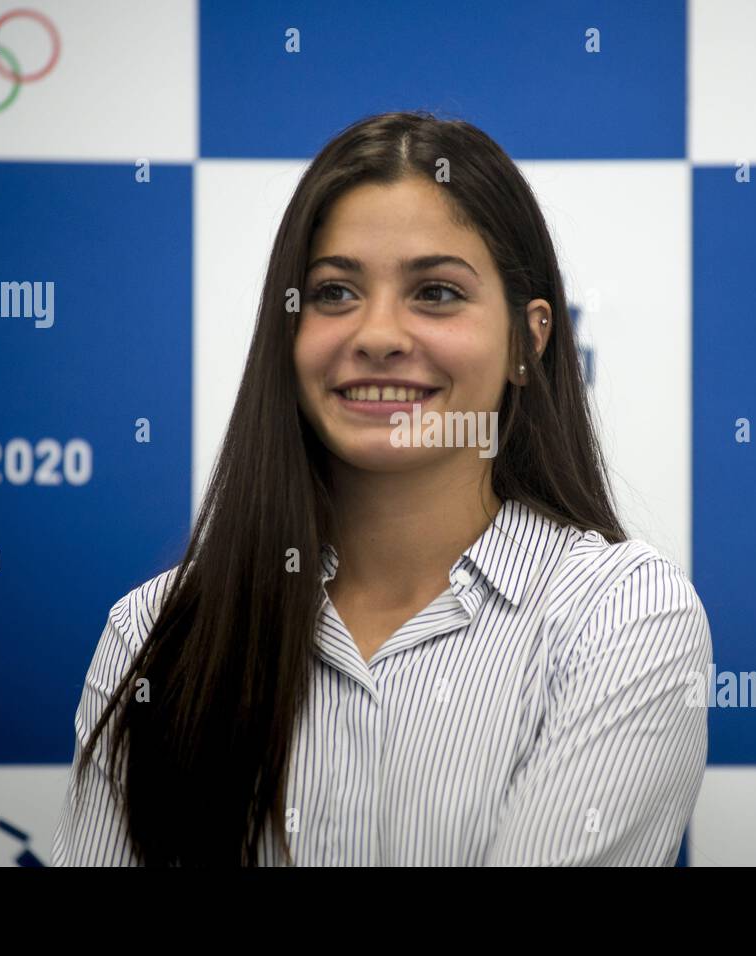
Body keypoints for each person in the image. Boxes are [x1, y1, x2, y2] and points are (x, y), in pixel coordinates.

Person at [51, 110, 712, 866]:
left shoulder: (622, 618)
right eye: (333, 293)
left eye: (435, 292)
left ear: (529, 343)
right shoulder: (154, 633)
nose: (377, 334)